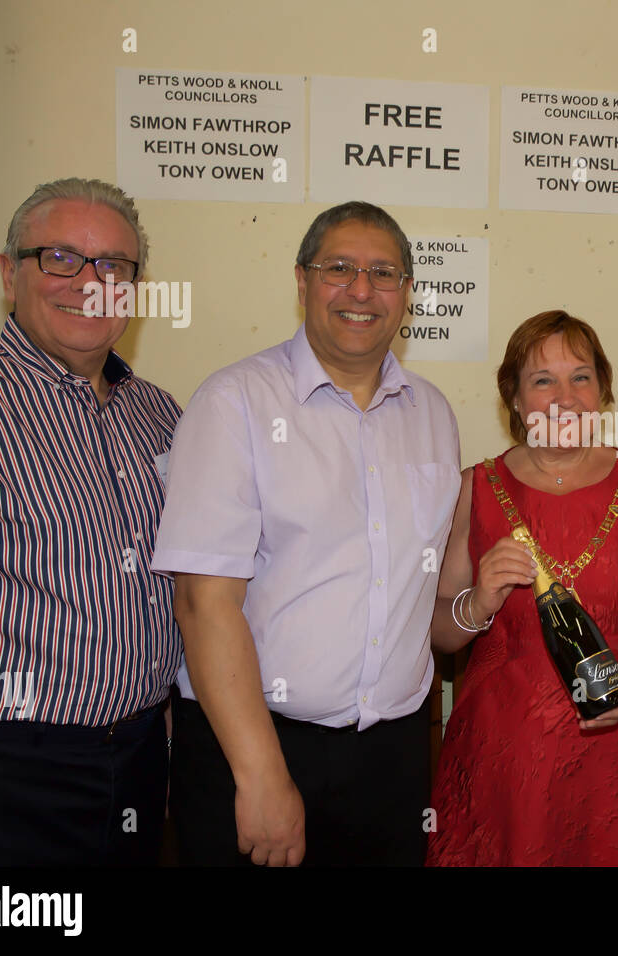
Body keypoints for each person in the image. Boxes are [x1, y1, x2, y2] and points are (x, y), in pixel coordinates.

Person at [151, 201, 460, 866]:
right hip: (255, 747)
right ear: (301, 281)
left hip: (393, 760)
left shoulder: (432, 413)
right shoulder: (234, 402)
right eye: (339, 268)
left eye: (383, 273)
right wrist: (262, 775)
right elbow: (203, 605)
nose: (360, 290)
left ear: (407, 293)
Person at [0, 178, 179, 865]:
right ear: (12, 273)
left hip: (134, 761)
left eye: (114, 266)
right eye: (61, 258)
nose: (90, 283)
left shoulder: (161, 415)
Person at [426, 310, 618, 866]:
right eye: (542, 380)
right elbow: (440, 634)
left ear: (603, 389)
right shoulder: (475, 488)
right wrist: (479, 601)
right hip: (506, 762)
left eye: (581, 376)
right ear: (513, 397)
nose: (565, 395)